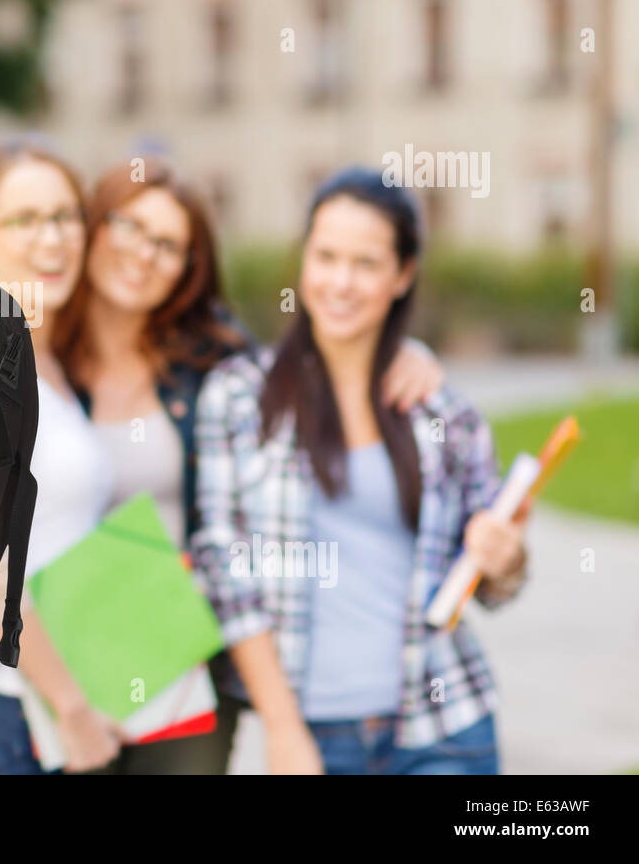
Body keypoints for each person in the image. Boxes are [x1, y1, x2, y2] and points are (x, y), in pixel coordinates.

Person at [52, 157, 446, 775]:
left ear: (189, 268)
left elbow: (313, 356)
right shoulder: (32, 353)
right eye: (129, 227)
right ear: (95, 226)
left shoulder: (211, 360)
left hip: (175, 649)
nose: (144, 254)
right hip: (49, 647)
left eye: (170, 245)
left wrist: (407, 352)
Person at [192, 167, 529, 775]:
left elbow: (491, 580)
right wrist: (283, 728)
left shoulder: (444, 412)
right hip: (312, 735)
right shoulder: (238, 399)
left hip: (442, 729)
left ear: (402, 276)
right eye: (326, 257)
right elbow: (226, 573)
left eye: (367, 264)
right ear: (304, 263)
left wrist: (507, 562)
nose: (341, 283)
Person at [0, 137, 124, 775]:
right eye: (25, 220)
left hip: (79, 703)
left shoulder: (50, 351)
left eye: (64, 216)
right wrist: (72, 708)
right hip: (29, 717)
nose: (52, 239)